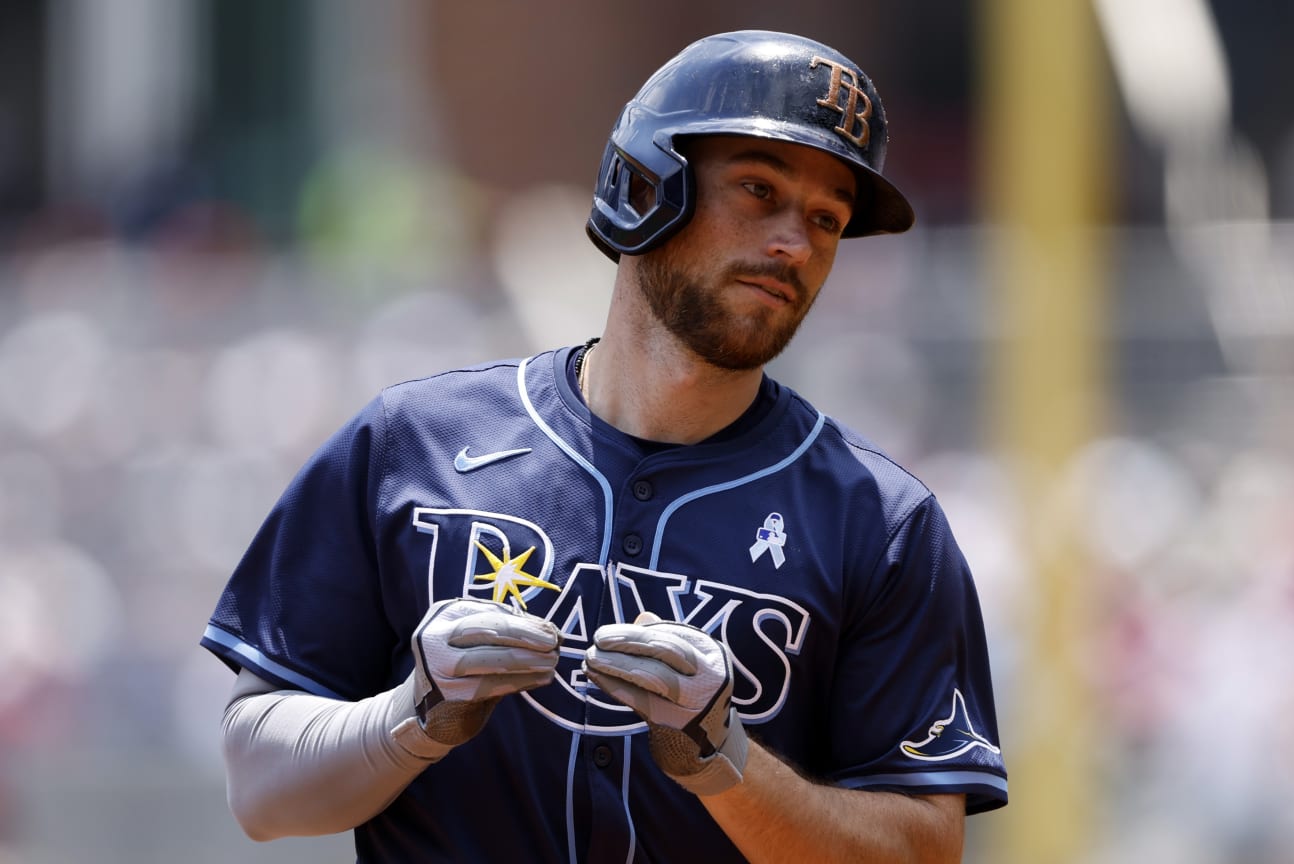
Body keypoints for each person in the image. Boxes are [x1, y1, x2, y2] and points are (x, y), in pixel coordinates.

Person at [201, 29, 1008, 863]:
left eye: (825, 220)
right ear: (644, 186)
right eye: (758, 191)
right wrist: (413, 716)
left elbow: (922, 852)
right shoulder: (413, 443)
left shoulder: (883, 525)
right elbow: (261, 789)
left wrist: (724, 759)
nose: (794, 244)